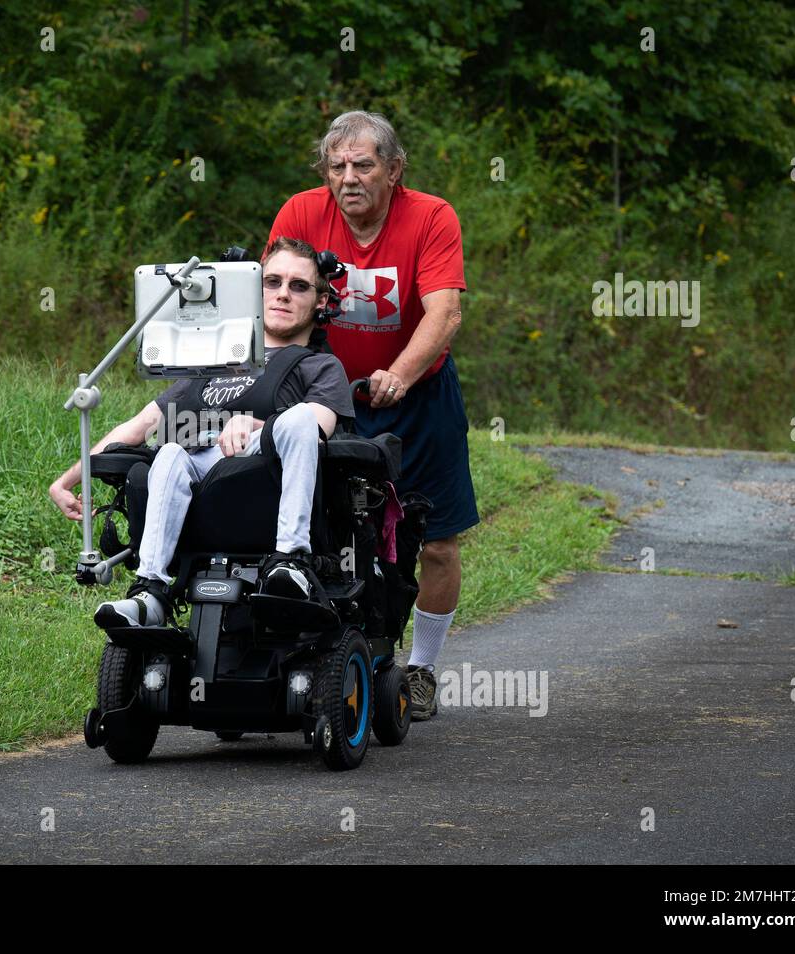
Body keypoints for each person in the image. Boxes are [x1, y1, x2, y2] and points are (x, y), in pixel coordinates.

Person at [265, 110, 479, 720]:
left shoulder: (431, 216)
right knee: (322, 528)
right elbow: (274, 301)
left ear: (394, 169)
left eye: (363, 165)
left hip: (421, 398)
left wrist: (399, 377)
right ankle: (316, 658)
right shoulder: (301, 213)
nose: (348, 178)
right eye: (337, 167)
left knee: (435, 542)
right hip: (326, 394)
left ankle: (422, 671)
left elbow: (445, 314)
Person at [49, 237, 355, 629]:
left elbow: (317, 427)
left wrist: (257, 424)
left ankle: (290, 562)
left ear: (319, 301)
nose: (282, 294)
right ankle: (151, 591)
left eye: (299, 286)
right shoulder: (211, 364)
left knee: (296, 419)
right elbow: (138, 426)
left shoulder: (320, 367)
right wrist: (70, 480)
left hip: (265, 467)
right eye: (272, 282)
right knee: (169, 452)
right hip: (201, 475)